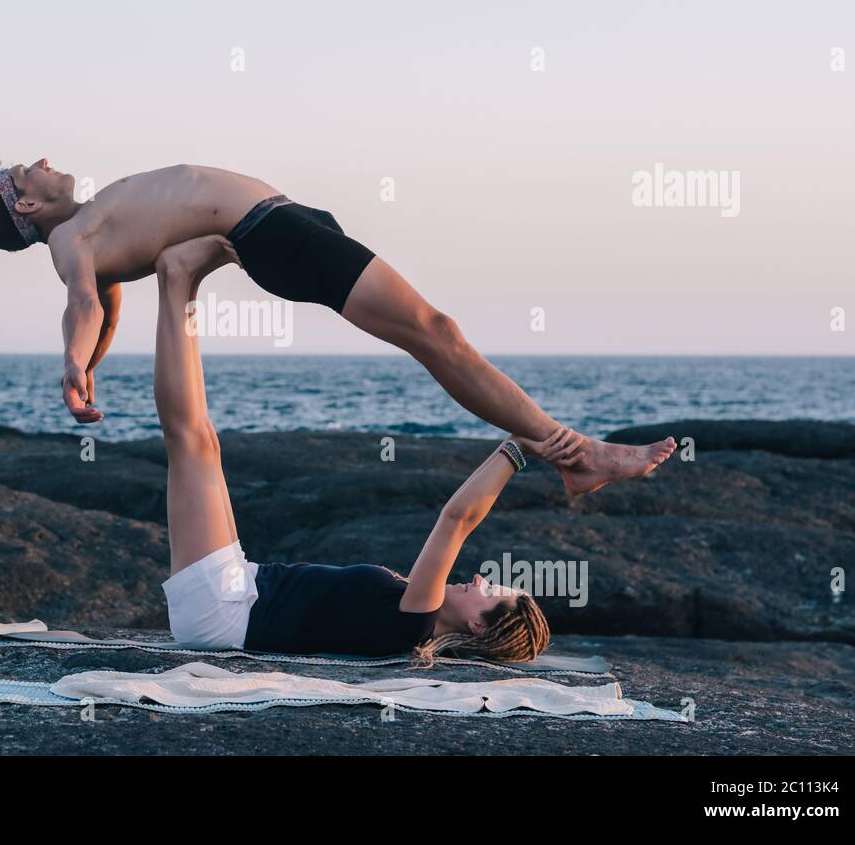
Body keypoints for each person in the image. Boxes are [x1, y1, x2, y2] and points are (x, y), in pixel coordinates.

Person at [0, 159, 675, 495]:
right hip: (270, 236)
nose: (44, 162)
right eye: (29, 169)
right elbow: (84, 305)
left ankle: (568, 454)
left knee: (434, 331)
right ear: (22, 204)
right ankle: (574, 454)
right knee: (437, 332)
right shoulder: (66, 245)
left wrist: (95, 358)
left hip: (286, 221)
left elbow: (105, 303)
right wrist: (75, 366)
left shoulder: (84, 230)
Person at [147, 235, 627, 661]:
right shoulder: (411, 617)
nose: (480, 581)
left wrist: (517, 448)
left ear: (479, 625)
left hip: (225, 610)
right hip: (239, 590)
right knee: (201, 440)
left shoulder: (417, 620)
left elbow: (457, 518)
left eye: (490, 592)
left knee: (189, 439)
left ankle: (177, 279)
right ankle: (181, 281)